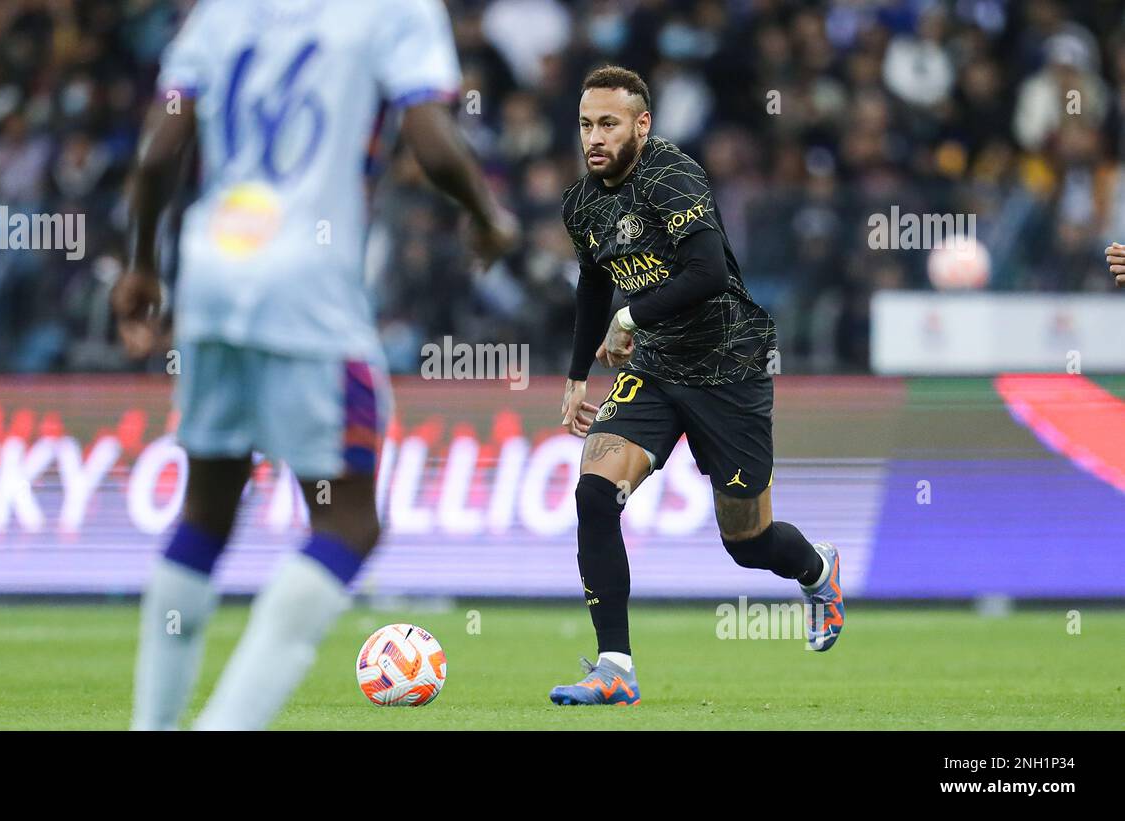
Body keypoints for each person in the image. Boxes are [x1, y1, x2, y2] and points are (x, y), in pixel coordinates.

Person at [112, 0, 519, 730]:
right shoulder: (397, 9)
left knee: (205, 512)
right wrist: (487, 214)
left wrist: (143, 265)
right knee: (349, 521)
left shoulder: (220, 13)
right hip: (308, 283)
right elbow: (430, 137)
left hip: (209, 266)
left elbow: (156, 152)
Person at [553, 66, 842, 705]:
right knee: (595, 493)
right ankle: (615, 669)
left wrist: (630, 317)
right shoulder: (582, 202)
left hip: (730, 369)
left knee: (748, 542)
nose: (593, 138)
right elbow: (594, 282)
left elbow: (707, 272)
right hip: (654, 371)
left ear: (642, 124)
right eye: (585, 125)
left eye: (608, 123)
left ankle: (817, 570)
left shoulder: (672, 176)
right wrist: (577, 376)